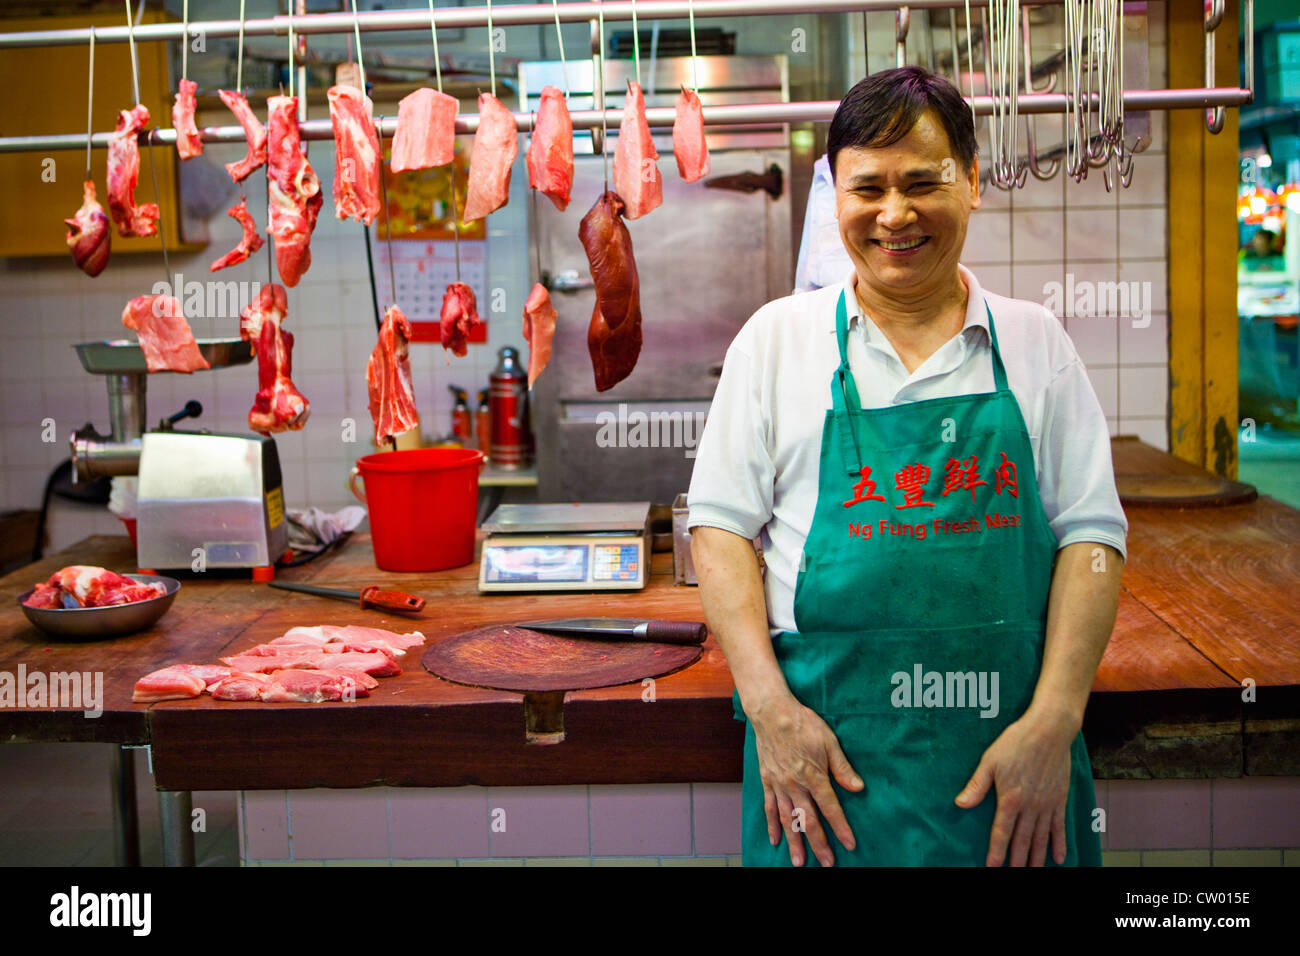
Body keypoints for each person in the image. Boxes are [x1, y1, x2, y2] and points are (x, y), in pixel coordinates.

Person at [687, 66, 1127, 867]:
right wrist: (769, 713)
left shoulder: (1036, 345)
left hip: (1009, 767)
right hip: (823, 772)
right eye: (868, 189)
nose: (894, 215)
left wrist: (1056, 720)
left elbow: (1092, 536)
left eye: (923, 183)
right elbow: (718, 529)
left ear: (972, 184)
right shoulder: (777, 342)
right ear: (837, 196)